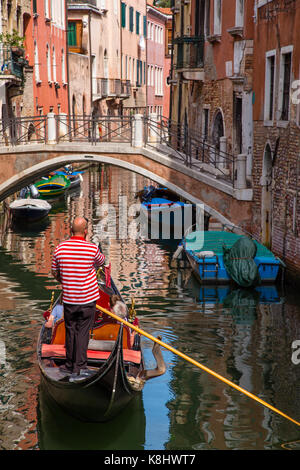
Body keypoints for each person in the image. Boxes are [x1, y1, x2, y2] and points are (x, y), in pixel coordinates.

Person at [51, 216, 105, 381]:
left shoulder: (60, 249)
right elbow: (101, 262)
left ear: (70, 231)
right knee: (82, 332)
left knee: (71, 331)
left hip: (69, 299)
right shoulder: (92, 249)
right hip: (88, 299)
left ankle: (69, 365)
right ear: (86, 231)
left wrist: (65, 281)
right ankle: (79, 367)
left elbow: (55, 271)